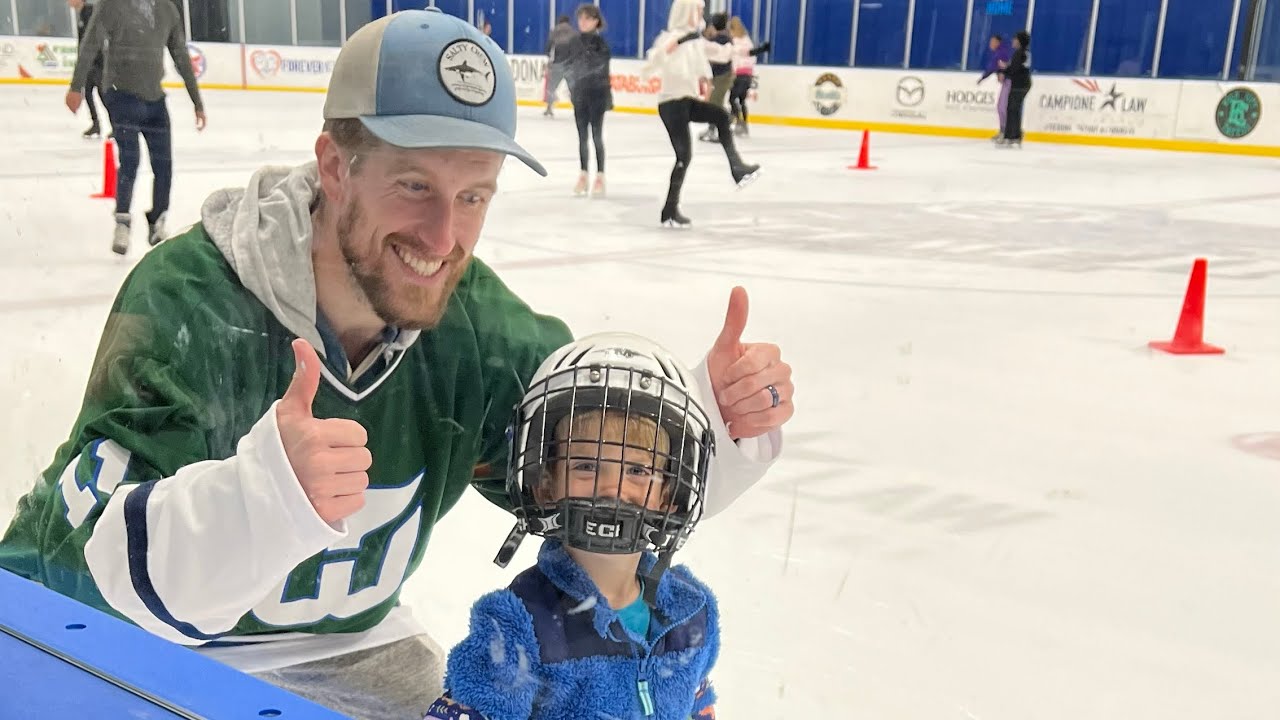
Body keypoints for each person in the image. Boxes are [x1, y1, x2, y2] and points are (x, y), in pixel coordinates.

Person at [0, 10, 793, 720]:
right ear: (337, 167)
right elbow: (87, 571)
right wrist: (264, 500)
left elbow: (592, 478)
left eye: (474, 197)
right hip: (95, 643)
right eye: (415, 185)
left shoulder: (476, 325)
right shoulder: (193, 299)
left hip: (354, 651)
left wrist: (715, 428)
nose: (444, 236)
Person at [424, 332, 721, 720]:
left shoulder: (690, 612)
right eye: (586, 465)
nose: (612, 488)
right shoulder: (521, 626)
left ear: (670, 493)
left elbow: (696, 702)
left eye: (637, 470)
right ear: (547, 484)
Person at [66, 0, 207, 255]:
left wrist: (197, 101)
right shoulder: (112, 5)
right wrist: (76, 86)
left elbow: (181, 56)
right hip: (122, 96)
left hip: (155, 99)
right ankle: (122, 221)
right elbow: (90, 44)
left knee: (164, 165)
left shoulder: (167, 10)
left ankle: (157, 219)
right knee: (130, 160)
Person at [642, 0, 761, 228]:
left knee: (722, 116)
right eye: (697, 10)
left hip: (687, 102)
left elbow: (722, 53)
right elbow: (650, 66)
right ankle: (669, 209)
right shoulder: (670, 37)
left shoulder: (696, 41)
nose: (701, 15)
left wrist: (707, 78)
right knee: (683, 157)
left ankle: (737, 168)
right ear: (685, 12)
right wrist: (668, 49)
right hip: (671, 104)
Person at [563, 4, 612, 197]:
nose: (583, 22)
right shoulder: (573, 42)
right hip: (580, 96)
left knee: (596, 136)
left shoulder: (601, 45)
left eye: (588, 18)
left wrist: (582, 78)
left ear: (596, 21)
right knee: (582, 136)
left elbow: (601, 70)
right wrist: (572, 86)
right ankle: (583, 174)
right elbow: (567, 66)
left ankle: (600, 176)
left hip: (597, 96)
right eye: (581, 18)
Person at [68, 0, 107, 140]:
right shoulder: (82, 13)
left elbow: (94, 40)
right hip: (90, 63)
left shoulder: (90, 12)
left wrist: (93, 61)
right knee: (89, 94)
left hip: (97, 62)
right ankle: (96, 123)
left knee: (102, 94)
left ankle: (114, 124)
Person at [727, 16, 768, 137]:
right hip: (748, 74)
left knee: (732, 99)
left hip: (739, 74)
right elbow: (752, 57)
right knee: (742, 100)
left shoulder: (734, 42)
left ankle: (739, 123)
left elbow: (734, 57)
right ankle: (744, 125)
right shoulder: (747, 40)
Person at [697, 13, 733, 143]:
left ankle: (721, 127)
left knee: (715, 104)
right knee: (715, 103)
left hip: (723, 75)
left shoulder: (722, 39)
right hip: (720, 75)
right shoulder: (721, 38)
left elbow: (708, 49)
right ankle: (715, 128)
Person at [998, 31, 1032, 148]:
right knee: (1015, 109)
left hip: (1019, 84)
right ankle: (1015, 136)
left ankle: (1010, 136)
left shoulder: (1019, 53)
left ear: (1019, 41)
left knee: (1012, 109)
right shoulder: (1026, 52)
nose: (1013, 41)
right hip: (1024, 84)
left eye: (1015, 39)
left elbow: (1014, 69)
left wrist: (1004, 68)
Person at [978, 34, 1012, 141]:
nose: (990, 44)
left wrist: (1001, 73)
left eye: (992, 42)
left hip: (1009, 82)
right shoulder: (1000, 52)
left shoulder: (1002, 53)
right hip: (1007, 82)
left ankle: (1006, 132)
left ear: (998, 42)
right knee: (1001, 107)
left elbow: (998, 66)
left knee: (1002, 107)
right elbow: (995, 66)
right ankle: (1003, 131)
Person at [543, 15, 577, 118]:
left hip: (557, 64)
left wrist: (549, 56)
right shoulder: (573, 32)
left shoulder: (555, 31)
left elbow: (548, 46)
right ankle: (578, 109)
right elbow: (577, 48)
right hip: (569, 65)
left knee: (551, 87)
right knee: (573, 89)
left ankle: (549, 108)